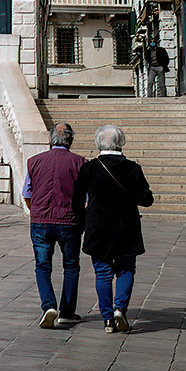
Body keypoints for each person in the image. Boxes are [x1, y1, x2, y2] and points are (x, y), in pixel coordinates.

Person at [73, 124, 153, 334]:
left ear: (98, 143)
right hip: (126, 228)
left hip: (98, 228)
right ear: (121, 142)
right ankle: (120, 309)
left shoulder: (90, 168)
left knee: (103, 272)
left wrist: (82, 222)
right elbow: (147, 199)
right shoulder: (133, 168)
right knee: (126, 269)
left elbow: (76, 200)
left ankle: (107, 319)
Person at [23, 122, 85, 329]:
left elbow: (27, 193)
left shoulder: (34, 161)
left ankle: (48, 305)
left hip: (41, 220)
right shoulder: (80, 163)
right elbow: (86, 198)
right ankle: (67, 311)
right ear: (71, 140)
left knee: (42, 265)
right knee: (71, 266)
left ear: (50, 140)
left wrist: (36, 211)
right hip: (69, 220)